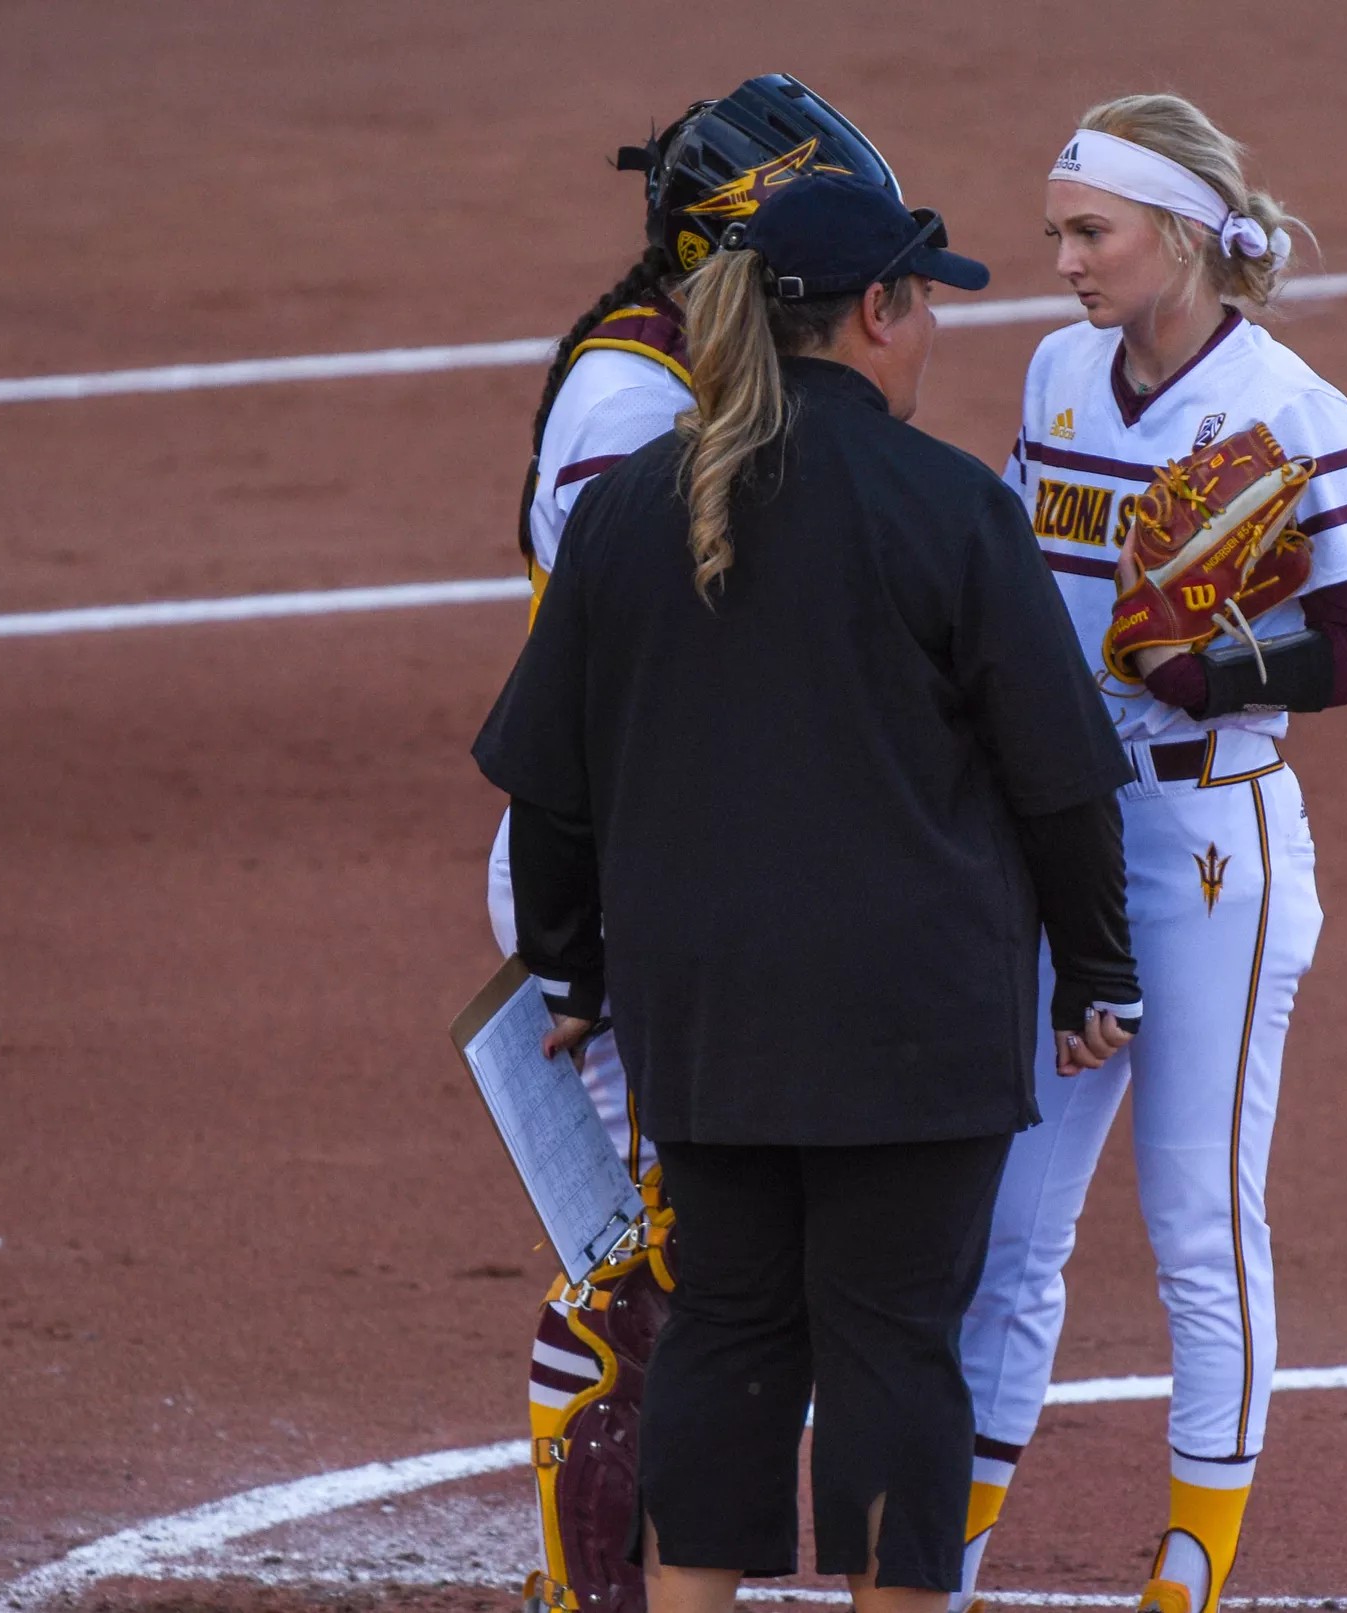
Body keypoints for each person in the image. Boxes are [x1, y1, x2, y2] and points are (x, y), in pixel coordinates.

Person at [473, 173, 1145, 1613]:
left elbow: (547, 781)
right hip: (915, 1026)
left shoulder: (638, 505)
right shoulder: (950, 505)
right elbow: (1063, 778)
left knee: (724, 1330)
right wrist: (1097, 973)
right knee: (900, 1342)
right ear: (878, 314)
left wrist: (574, 972)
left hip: (705, 1022)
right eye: (923, 305)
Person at [952, 94, 1347, 1613]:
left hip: (1213, 838)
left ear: (1185, 233)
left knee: (1197, 1213)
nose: (1064, 261)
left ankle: (1191, 1570)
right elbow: (1016, 582)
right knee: (1009, 1215)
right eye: (1058, 233)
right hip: (1061, 834)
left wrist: (1212, 675)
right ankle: (941, 1554)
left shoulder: (1290, 407)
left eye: (1092, 232)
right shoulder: (1058, 372)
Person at [481, 76, 906, 1613]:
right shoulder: (631, 401)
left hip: (679, 861)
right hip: (616, 867)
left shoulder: (701, 367)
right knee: (661, 1270)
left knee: (706, 1259)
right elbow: (634, 672)